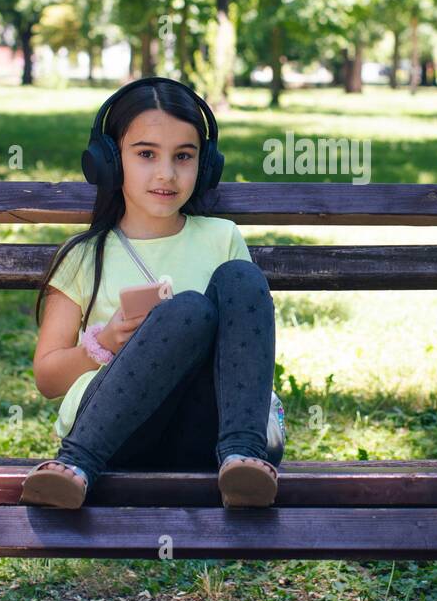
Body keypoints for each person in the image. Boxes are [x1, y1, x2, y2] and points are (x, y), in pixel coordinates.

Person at [23, 77, 283, 510]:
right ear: (108, 161)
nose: (166, 173)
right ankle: (75, 467)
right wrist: (103, 344)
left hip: (206, 435)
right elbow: (47, 379)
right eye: (146, 154)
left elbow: (245, 345)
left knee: (235, 282)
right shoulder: (86, 255)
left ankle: (244, 457)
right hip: (118, 439)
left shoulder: (222, 238)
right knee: (188, 311)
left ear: (206, 164)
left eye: (184, 156)